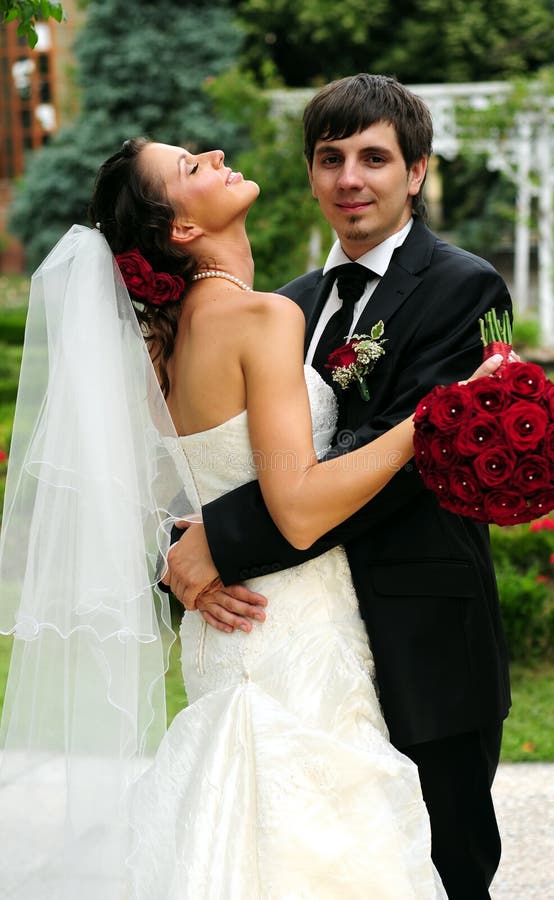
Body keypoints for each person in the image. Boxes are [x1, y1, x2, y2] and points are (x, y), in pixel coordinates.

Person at [0, 125, 502, 897]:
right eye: (192, 166)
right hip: (293, 632)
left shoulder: (161, 345)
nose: (218, 158)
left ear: (416, 171)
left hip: (239, 629)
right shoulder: (269, 315)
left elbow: (168, 491)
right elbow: (296, 504)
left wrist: (189, 552)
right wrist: (441, 413)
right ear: (184, 228)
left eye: (373, 158)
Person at [163, 73, 513, 900]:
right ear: (312, 173)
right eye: (330, 158)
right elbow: (219, 457)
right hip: (302, 649)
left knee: (445, 869)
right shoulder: (291, 303)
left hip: (424, 640)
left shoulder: (466, 288)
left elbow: (405, 465)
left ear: (417, 171)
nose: (350, 178)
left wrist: (222, 541)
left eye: (374, 158)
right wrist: (173, 550)